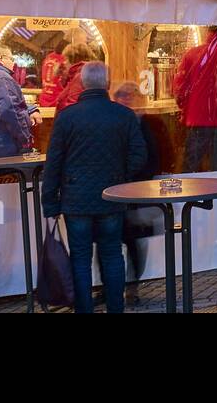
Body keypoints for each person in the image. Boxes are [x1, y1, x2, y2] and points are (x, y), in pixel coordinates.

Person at [42, 61, 148, 314]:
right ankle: (115, 309)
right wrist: (120, 176)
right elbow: (138, 155)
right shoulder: (123, 115)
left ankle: (84, 310)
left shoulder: (68, 117)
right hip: (112, 198)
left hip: (75, 199)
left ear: (84, 83)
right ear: (107, 84)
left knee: (79, 258)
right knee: (112, 255)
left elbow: (54, 162)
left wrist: (49, 202)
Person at [113, 81, 161, 304]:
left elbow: (152, 159)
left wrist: (137, 184)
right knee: (110, 242)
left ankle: (131, 288)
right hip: (115, 194)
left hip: (135, 195)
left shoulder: (145, 124)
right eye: (121, 96)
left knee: (133, 244)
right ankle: (111, 286)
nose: (126, 100)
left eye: (129, 96)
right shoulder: (112, 123)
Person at [174, 27, 217, 172]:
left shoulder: (192, 54)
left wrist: (184, 107)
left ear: (207, 32)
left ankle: (190, 192)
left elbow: (180, 87)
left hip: (196, 117)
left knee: (191, 163)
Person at [54, 37, 96, 110]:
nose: (64, 62)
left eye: (66, 59)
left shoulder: (80, 77)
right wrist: (64, 78)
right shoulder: (81, 75)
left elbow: (72, 106)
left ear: (74, 59)